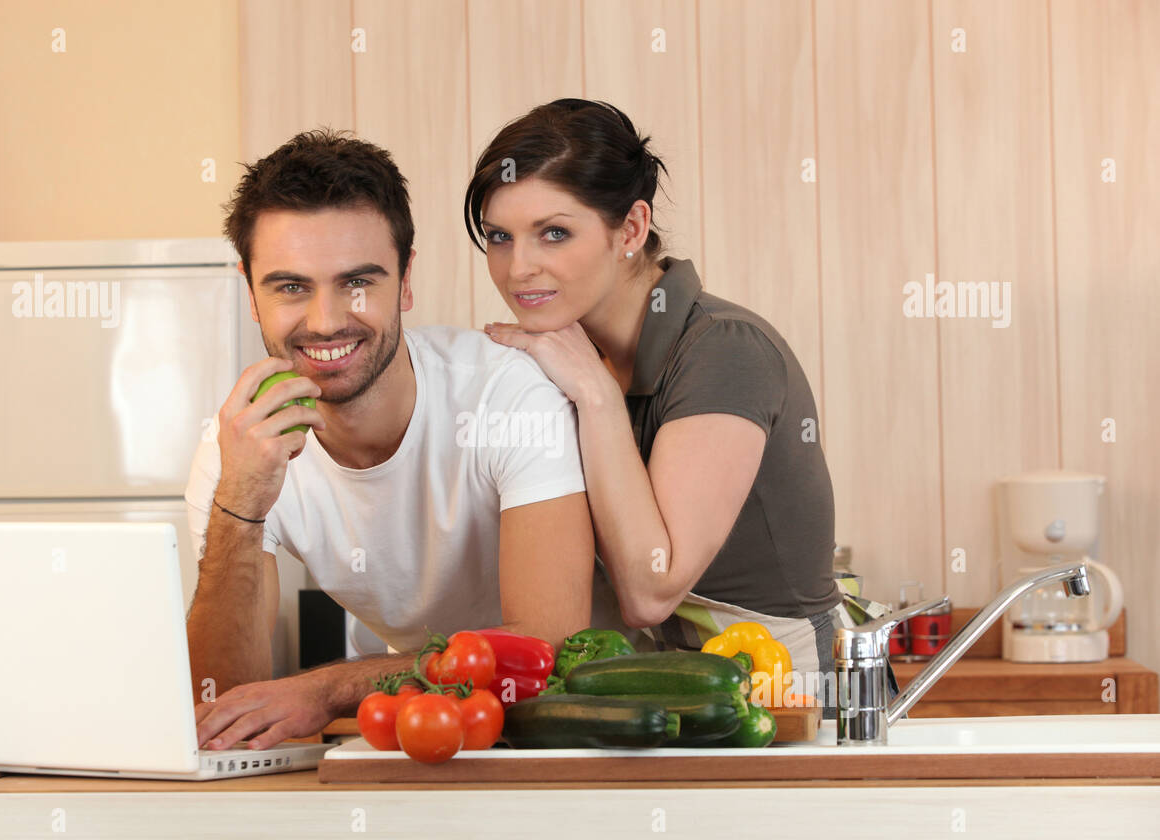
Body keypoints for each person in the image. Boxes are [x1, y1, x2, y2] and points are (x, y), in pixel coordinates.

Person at [466, 98, 877, 717]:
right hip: (667, 690)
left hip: (792, 697)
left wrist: (599, 398)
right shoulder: (571, 357)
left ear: (630, 229)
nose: (519, 268)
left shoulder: (724, 349)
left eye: (555, 232)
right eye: (500, 237)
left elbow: (651, 590)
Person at [187, 129, 595, 751]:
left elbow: (548, 642)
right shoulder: (235, 447)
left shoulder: (503, 395)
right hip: (431, 725)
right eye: (290, 287)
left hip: (578, 723)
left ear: (405, 282)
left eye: (357, 283)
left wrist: (326, 689)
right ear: (252, 295)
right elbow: (218, 701)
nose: (325, 321)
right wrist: (240, 502)